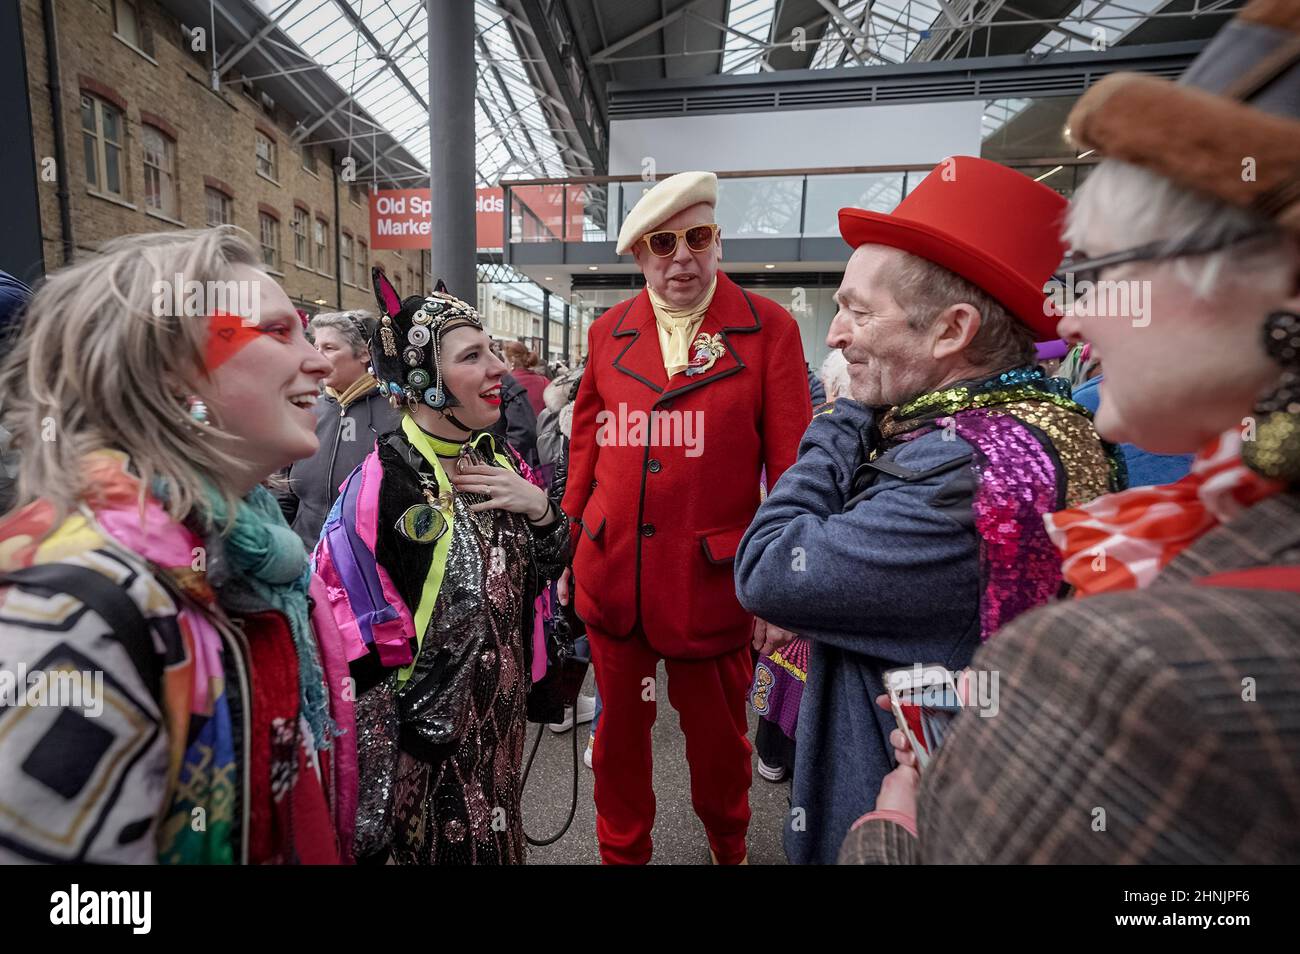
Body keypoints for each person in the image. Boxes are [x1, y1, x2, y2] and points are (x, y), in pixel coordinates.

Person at [842, 0, 1300, 864]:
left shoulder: (1137, 670)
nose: (1077, 319)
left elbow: (779, 573)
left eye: (1104, 271)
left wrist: (900, 816)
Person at [734, 156, 1121, 864]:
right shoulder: (1016, 430)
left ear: (951, 331)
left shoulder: (967, 474)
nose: (834, 335)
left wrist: (841, 417)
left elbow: (767, 569)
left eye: (857, 310)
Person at [0, 227, 356, 863]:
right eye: (278, 332)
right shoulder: (71, 606)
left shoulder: (242, 557)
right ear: (167, 372)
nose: (322, 362)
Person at [560, 170, 812, 864]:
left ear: (717, 242)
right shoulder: (608, 332)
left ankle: (728, 847)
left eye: (697, 237)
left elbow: (793, 469)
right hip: (612, 575)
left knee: (719, 746)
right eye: (662, 242)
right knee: (617, 746)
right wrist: (569, 542)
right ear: (640, 254)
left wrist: (780, 586)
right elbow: (587, 446)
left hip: (715, 581)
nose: (681, 256)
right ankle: (622, 853)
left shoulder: (770, 329)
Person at [313, 269, 569, 865]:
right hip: (425, 758)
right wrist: (388, 791)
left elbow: (542, 570)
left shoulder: (496, 456)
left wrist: (542, 511)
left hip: (499, 732)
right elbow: (354, 653)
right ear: (426, 382)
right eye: (473, 356)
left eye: (494, 351)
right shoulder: (381, 490)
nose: (499, 369)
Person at [278, 310, 401, 547]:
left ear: (365, 353)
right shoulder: (305, 406)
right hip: (303, 560)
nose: (317, 358)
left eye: (329, 348)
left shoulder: (397, 414)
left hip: (363, 567)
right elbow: (284, 491)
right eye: (316, 348)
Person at [503, 341, 549, 416]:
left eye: (504, 359)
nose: (504, 363)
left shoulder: (506, 382)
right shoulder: (544, 381)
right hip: (540, 426)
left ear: (512, 359)